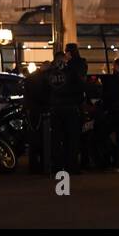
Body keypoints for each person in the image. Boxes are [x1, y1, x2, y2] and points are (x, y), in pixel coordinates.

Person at [48, 44, 87, 175]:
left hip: (55, 108)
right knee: (72, 139)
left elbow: (47, 89)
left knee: (57, 139)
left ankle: (57, 167)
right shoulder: (71, 71)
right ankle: (72, 167)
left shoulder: (51, 73)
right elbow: (80, 86)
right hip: (70, 107)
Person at [96, 58, 119, 170]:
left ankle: (113, 161)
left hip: (116, 111)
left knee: (106, 135)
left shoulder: (115, 79)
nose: (112, 68)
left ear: (118, 67)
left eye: (114, 66)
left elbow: (109, 96)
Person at [22, 58, 54, 174]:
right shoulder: (42, 79)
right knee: (41, 138)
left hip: (32, 111)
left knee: (34, 140)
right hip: (39, 111)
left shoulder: (32, 78)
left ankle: (34, 165)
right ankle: (41, 164)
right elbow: (42, 96)